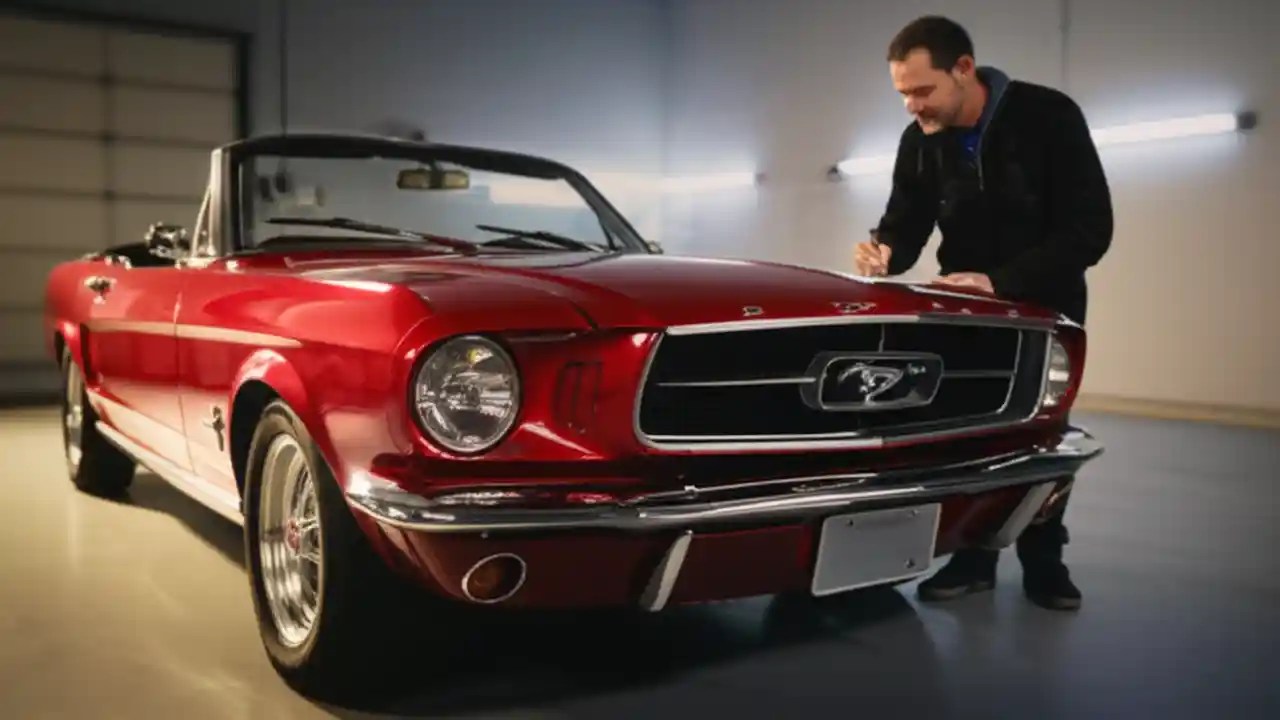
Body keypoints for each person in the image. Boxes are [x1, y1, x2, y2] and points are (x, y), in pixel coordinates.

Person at [853, 16, 1113, 611]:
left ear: (964, 70)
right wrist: (885, 251)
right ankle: (973, 557)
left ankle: (1046, 560)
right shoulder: (920, 139)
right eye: (903, 94)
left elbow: (1090, 228)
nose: (912, 106)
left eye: (923, 91)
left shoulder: (1049, 117)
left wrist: (1001, 281)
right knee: (969, 434)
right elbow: (906, 223)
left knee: (1042, 437)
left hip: (1047, 307)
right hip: (965, 310)